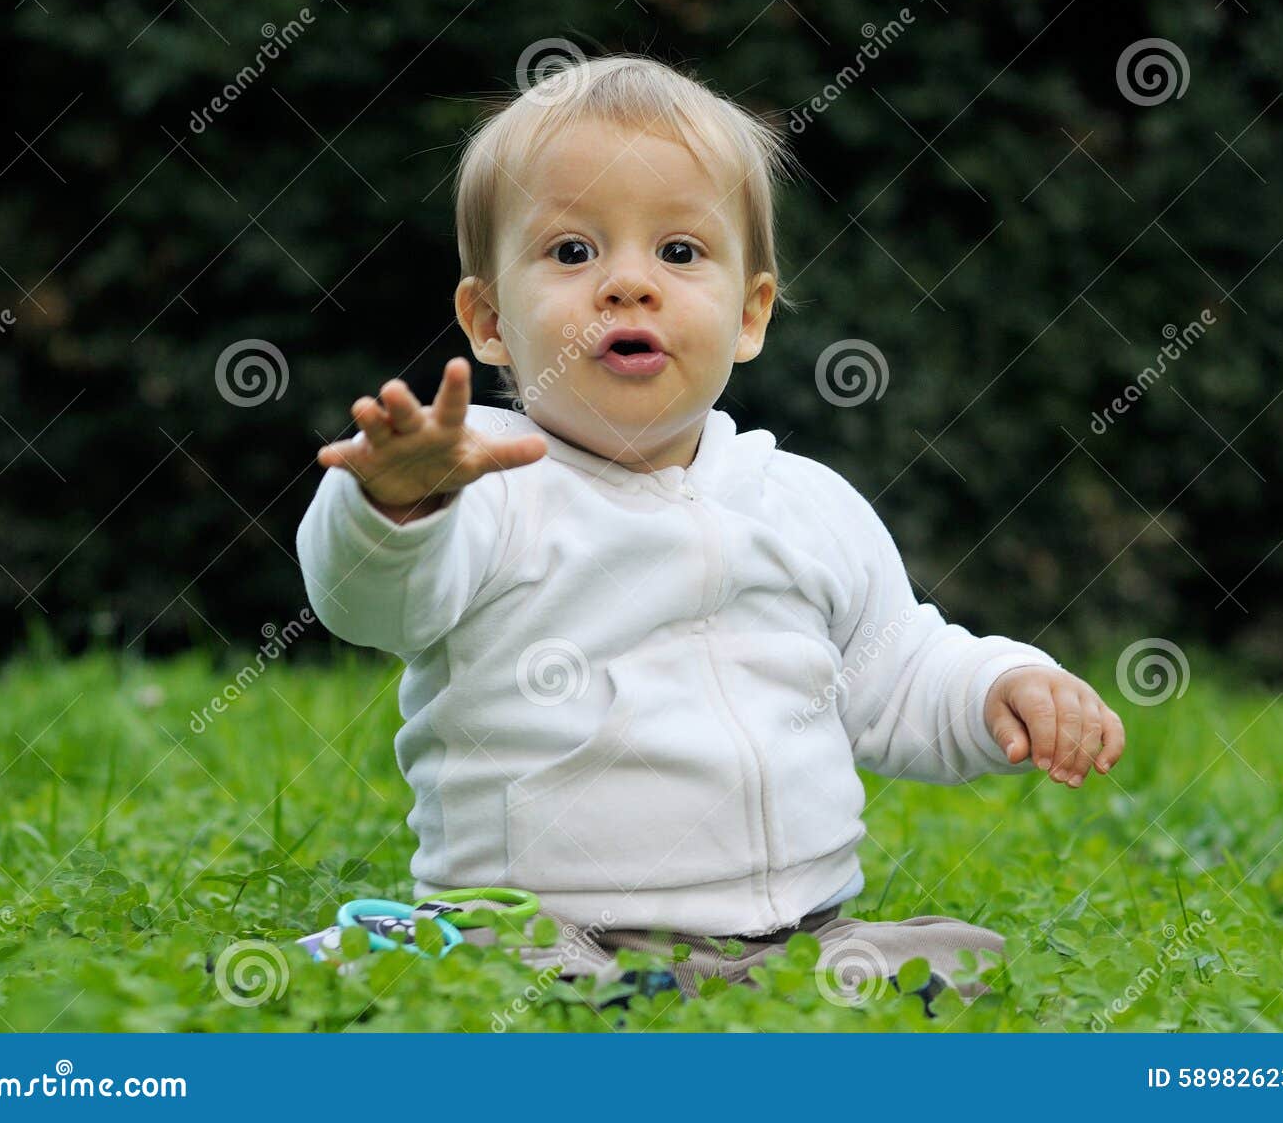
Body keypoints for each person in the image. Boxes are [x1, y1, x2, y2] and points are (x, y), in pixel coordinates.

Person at [297, 54, 1125, 1006]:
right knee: (505, 972)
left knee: (959, 959)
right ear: (488, 320)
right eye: (572, 253)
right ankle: (414, 953)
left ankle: (720, 985)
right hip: (547, 920)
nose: (627, 285)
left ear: (750, 313)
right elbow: (371, 606)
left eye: (679, 253)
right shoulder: (483, 474)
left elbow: (896, 671)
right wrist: (397, 506)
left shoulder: (803, 501)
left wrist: (999, 686)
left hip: (788, 933)